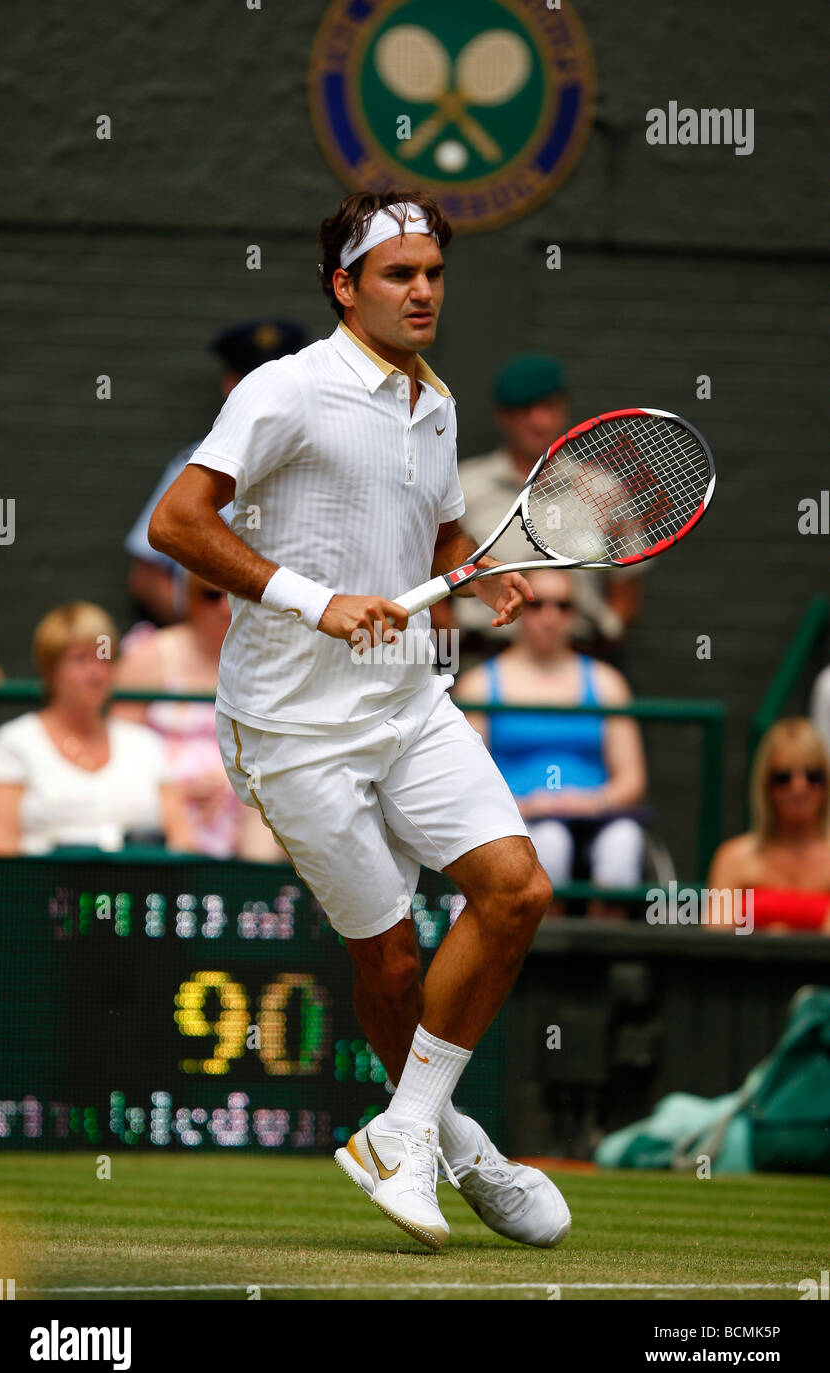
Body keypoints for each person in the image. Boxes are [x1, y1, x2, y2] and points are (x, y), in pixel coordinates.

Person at [146, 188, 570, 1252]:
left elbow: (437, 536)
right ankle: (458, 1146)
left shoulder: (437, 401)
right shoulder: (284, 389)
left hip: (408, 699)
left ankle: (407, 1129)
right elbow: (177, 523)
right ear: (345, 286)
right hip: (292, 728)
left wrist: (474, 574)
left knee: (516, 891)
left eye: (433, 273)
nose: (423, 290)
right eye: (398, 274)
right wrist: (315, 600)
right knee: (388, 962)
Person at [454, 569, 647, 895]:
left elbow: (632, 780)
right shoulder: (479, 686)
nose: (549, 616)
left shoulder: (607, 683)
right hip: (514, 822)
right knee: (550, 841)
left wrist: (590, 803)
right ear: (516, 608)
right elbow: (466, 783)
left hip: (596, 819)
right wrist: (528, 807)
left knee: (623, 844)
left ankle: (605, 928)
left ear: (575, 613)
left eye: (562, 605)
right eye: (537, 604)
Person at [457, 353, 648, 659]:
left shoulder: (604, 491)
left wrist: (606, 637)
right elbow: (433, 568)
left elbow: (627, 584)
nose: (539, 421)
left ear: (565, 409)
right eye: (524, 409)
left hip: (580, 656)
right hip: (485, 657)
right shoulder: (465, 489)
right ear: (502, 416)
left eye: (549, 406)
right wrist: (454, 639)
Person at [125, 319, 306, 626]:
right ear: (229, 385)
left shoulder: (330, 456)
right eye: (251, 381)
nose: (266, 395)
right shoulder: (197, 462)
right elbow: (148, 575)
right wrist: (204, 635)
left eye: (277, 383)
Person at [0, 603, 194, 856]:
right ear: (51, 670)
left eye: (103, 658)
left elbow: (182, 840)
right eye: (80, 659)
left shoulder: (145, 744)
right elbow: (2, 845)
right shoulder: (14, 742)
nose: (96, 673)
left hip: (141, 880)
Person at [112, 572, 285, 861]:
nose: (224, 607)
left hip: (249, 812)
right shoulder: (149, 656)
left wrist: (235, 784)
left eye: (236, 596)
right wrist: (172, 791)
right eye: (211, 595)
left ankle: (256, 889)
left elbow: (284, 747)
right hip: (164, 812)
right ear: (187, 598)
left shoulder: (272, 665)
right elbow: (118, 748)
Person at [705, 718, 830, 932]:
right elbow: (716, 937)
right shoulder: (733, 858)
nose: (799, 788)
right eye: (784, 778)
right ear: (766, 786)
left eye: (812, 776)